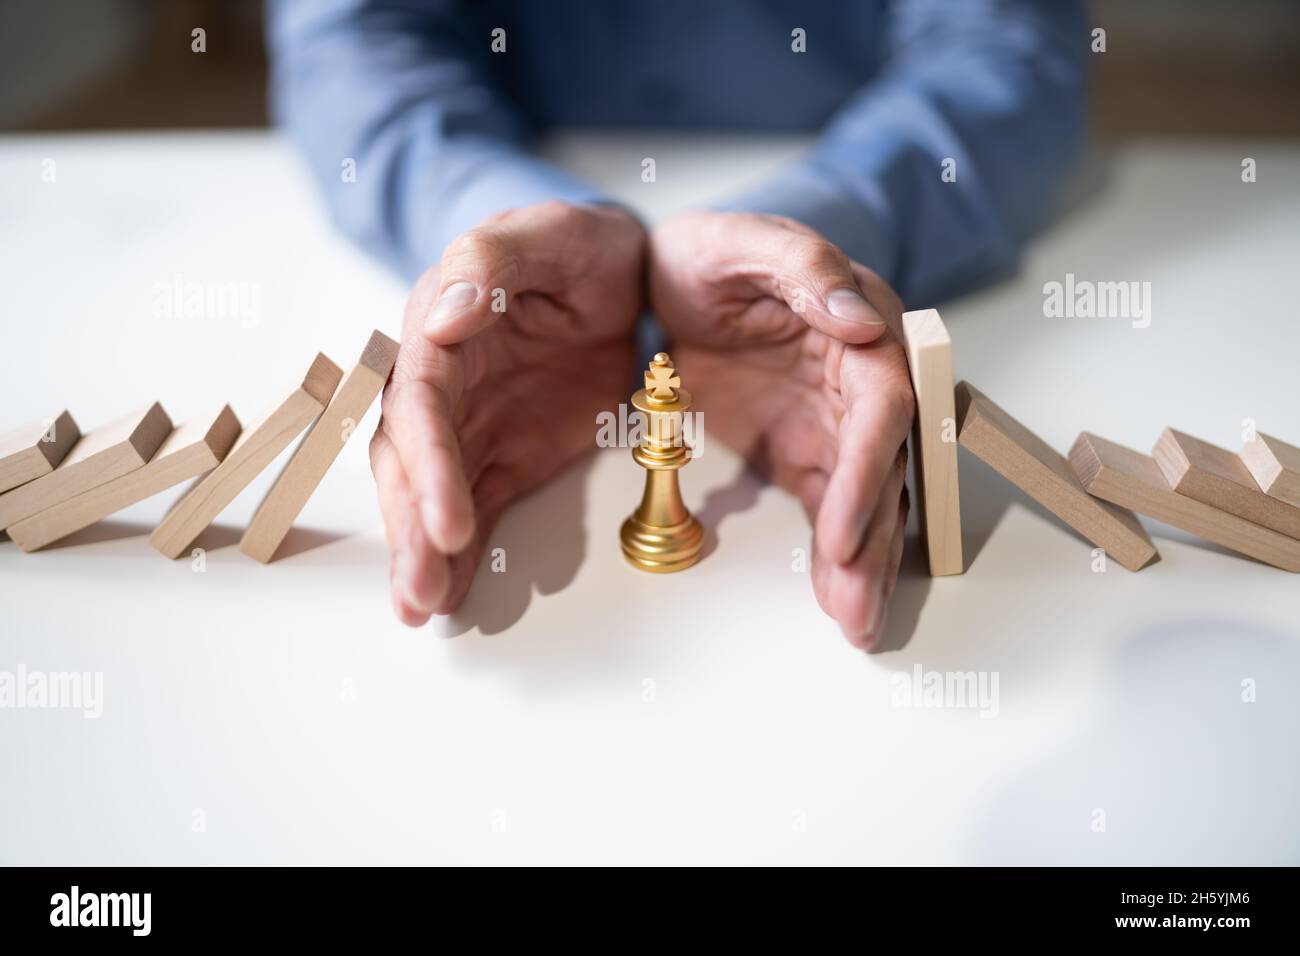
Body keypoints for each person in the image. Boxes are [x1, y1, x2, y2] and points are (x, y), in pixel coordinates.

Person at [267, 0, 1087, 647]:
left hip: (839, 138)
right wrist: (495, 239)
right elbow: (351, 42)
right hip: (526, 141)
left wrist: (805, 244)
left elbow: (1002, 49)